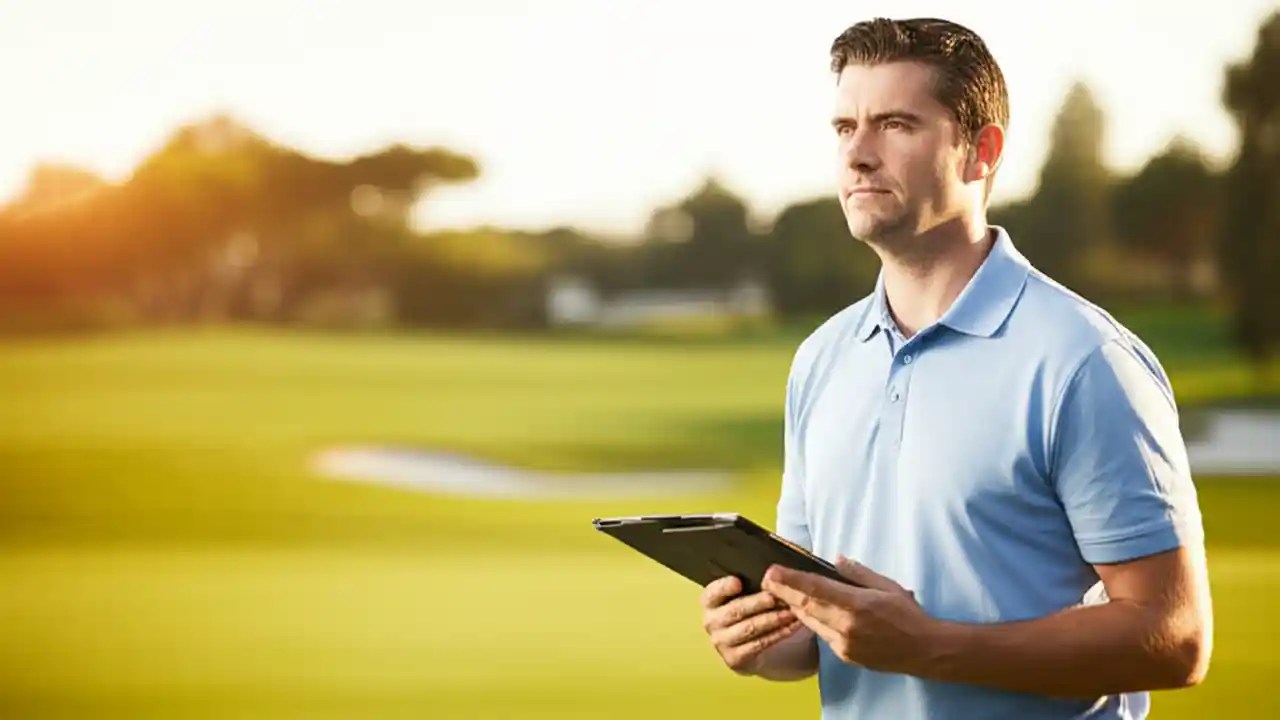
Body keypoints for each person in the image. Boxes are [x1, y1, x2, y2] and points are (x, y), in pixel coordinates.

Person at [698, 16, 1212, 719]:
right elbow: (816, 631)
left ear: (981, 152)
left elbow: (1175, 638)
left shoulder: (1083, 359)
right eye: (845, 127)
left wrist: (931, 647)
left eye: (896, 125)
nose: (858, 155)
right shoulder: (822, 358)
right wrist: (759, 639)